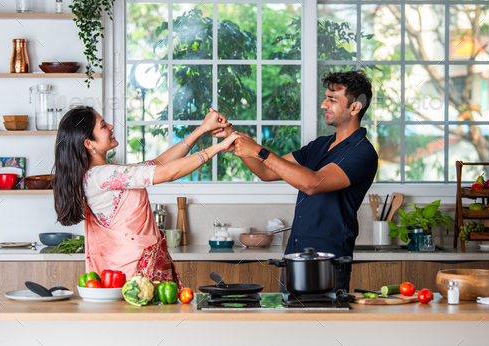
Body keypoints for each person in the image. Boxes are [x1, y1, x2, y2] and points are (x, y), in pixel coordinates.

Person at [214, 70, 378, 292]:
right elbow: (267, 171)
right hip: (293, 258)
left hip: (327, 264)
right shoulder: (320, 145)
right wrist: (234, 138)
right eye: (325, 98)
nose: (323, 105)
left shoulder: (362, 153)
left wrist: (259, 151)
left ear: (355, 107)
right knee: (288, 326)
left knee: (319, 326)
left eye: (332, 100)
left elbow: (313, 183)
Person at [53, 106, 238, 286]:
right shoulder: (101, 176)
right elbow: (168, 173)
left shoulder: (107, 173)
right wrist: (217, 148)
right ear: (88, 143)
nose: (110, 126)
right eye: (103, 125)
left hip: (141, 268)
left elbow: (159, 163)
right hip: (134, 274)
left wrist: (202, 129)